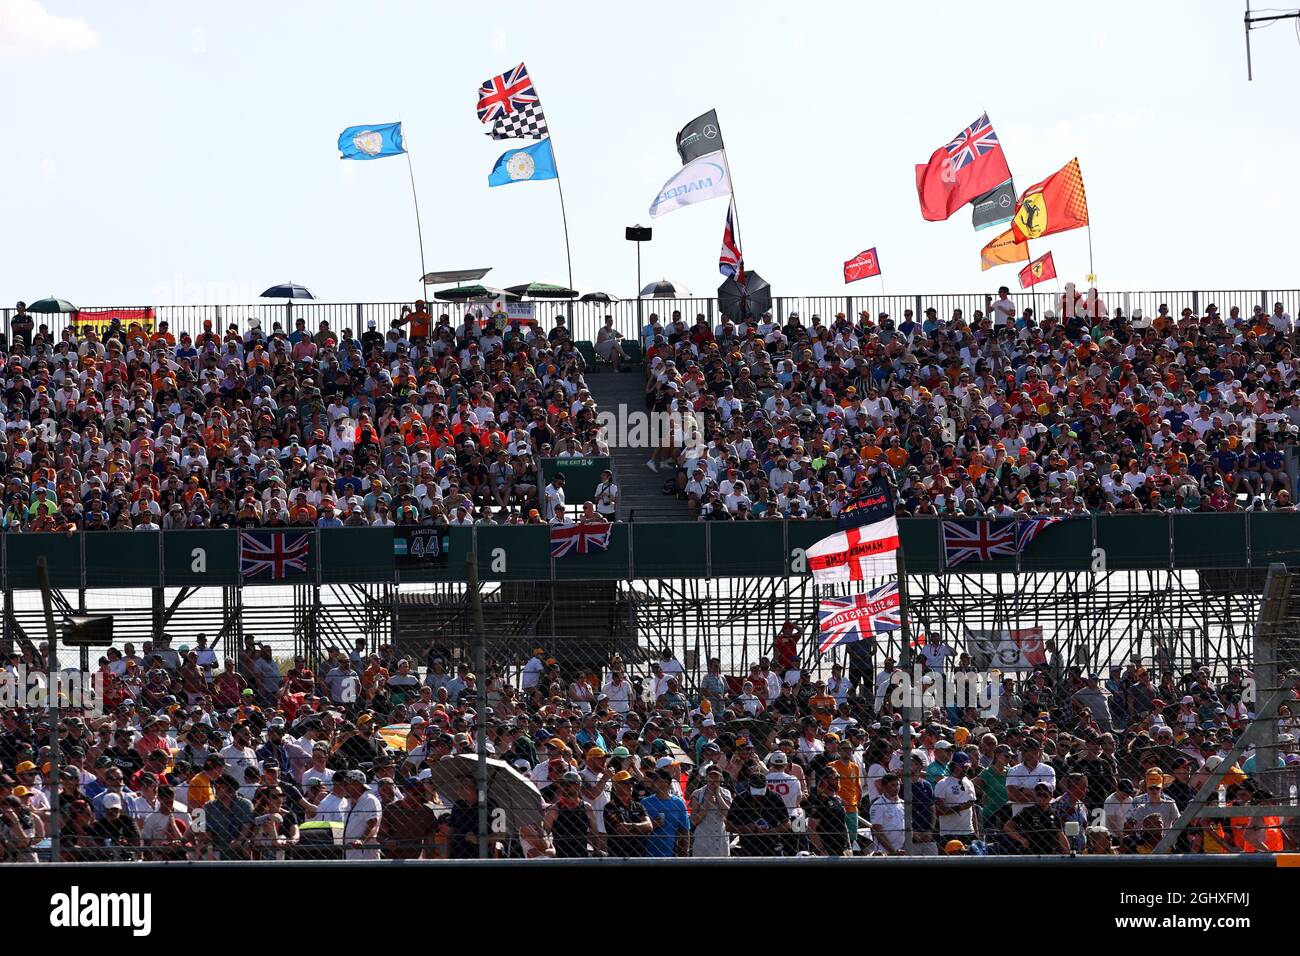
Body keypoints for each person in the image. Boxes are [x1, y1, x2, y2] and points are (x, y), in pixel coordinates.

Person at [727, 772, 791, 856]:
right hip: (748, 847)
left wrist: (769, 831)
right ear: (749, 786)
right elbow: (728, 826)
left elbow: (787, 823)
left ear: (766, 786)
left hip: (772, 845)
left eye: (760, 793)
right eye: (755, 794)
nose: (758, 797)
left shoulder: (775, 798)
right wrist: (745, 828)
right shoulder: (740, 799)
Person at [1005, 782, 1070, 854]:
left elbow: (1060, 834)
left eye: (1045, 795)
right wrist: (1022, 840)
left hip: (1048, 854)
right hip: (1030, 854)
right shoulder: (1027, 811)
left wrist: (1067, 851)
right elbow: (1008, 827)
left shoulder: (1054, 814)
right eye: (1038, 795)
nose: (1041, 798)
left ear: (1051, 796)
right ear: (1035, 796)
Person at [688, 765, 732, 858]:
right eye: (711, 776)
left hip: (721, 837)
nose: (713, 779)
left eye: (716, 776)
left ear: (721, 778)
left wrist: (718, 796)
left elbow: (729, 815)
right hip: (703, 840)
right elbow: (693, 821)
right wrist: (707, 804)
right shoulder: (698, 794)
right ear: (706, 777)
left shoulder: (726, 793)